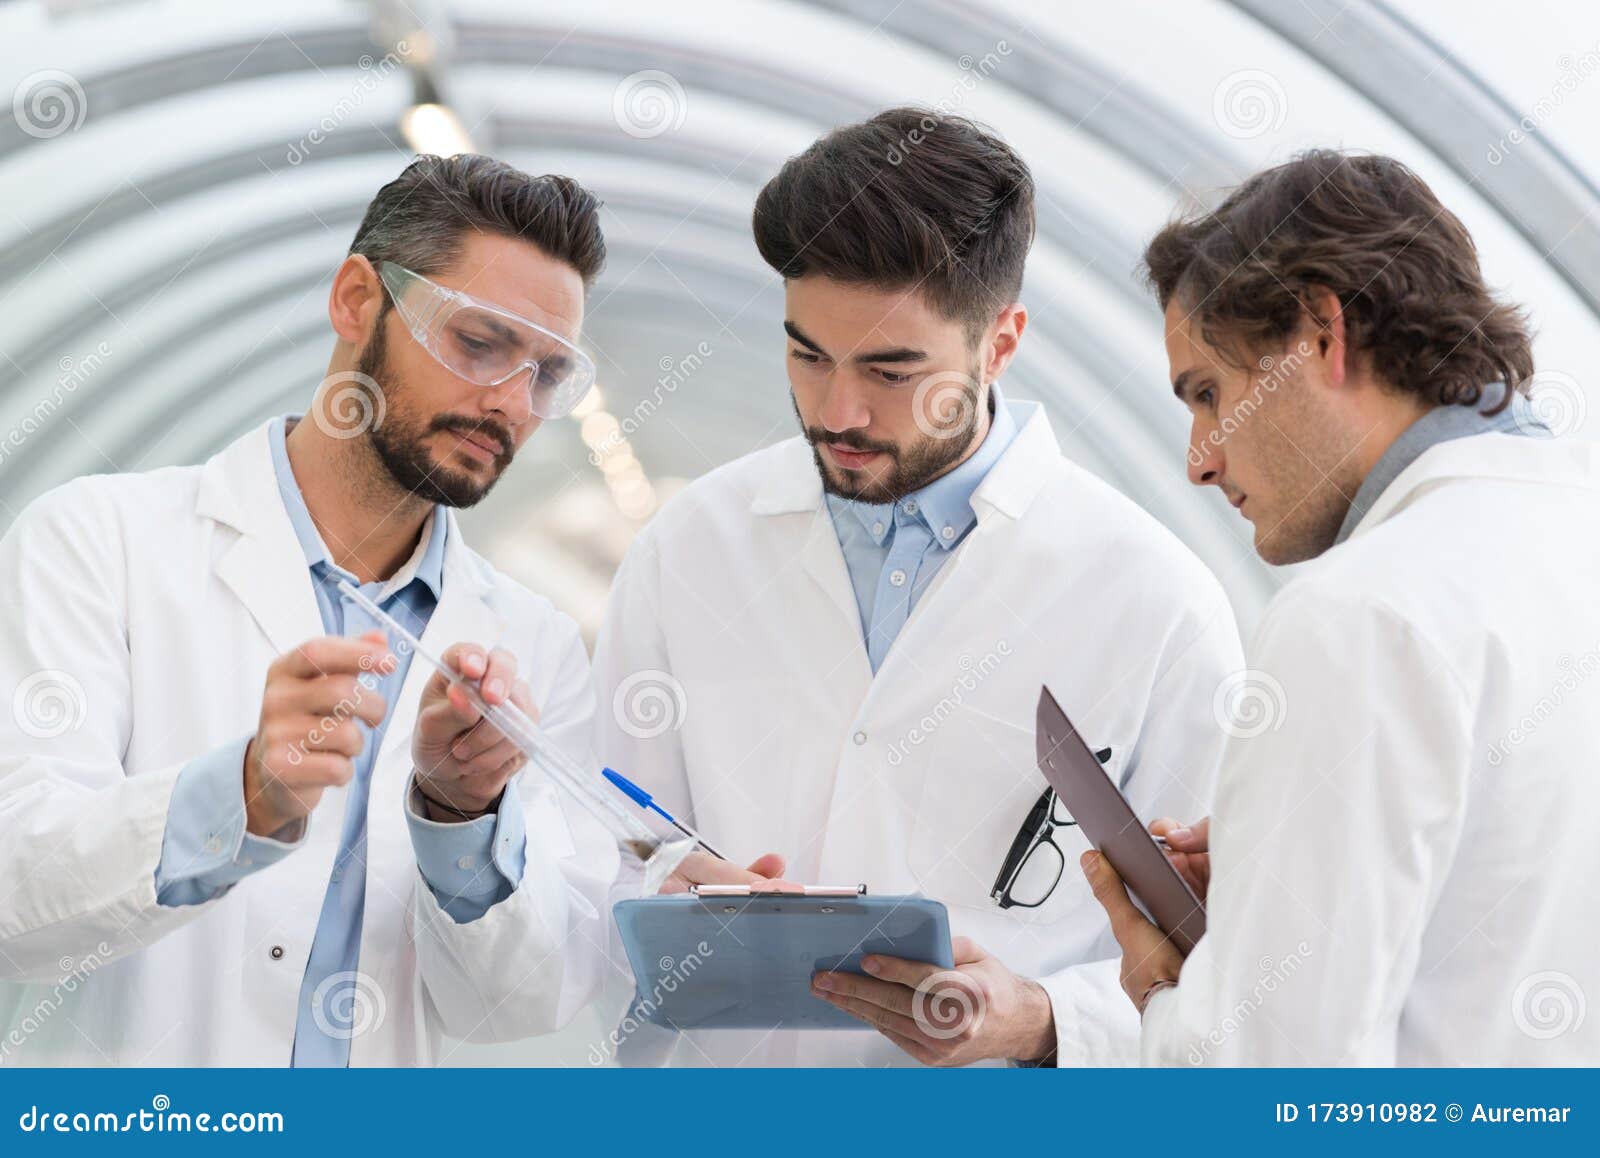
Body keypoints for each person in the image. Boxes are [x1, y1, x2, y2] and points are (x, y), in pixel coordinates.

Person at [592, 108, 1243, 1067]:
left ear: (1001, 343)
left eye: (893, 371)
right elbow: (609, 844)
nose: (838, 410)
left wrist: (1041, 1020)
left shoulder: (1156, 600)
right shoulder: (690, 546)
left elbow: (1220, 965)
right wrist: (667, 889)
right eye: (807, 355)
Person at [0, 154, 620, 1065]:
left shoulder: (531, 642)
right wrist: (239, 796)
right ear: (356, 302)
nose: (508, 404)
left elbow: (525, 1001)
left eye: (546, 374)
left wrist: (462, 817)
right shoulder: (97, 542)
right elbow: (16, 892)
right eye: (479, 343)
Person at [1084, 149, 1600, 1065]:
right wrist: (1270, 876)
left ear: (1320, 334)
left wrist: (1168, 992)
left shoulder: (1361, 614)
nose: (1199, 460)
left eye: (1210, 395)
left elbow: (1278, 1094)